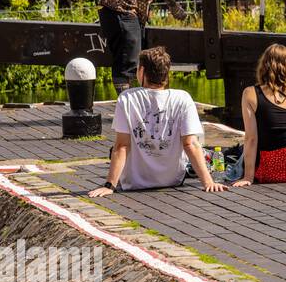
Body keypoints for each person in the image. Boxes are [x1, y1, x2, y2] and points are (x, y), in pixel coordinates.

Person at [88, 46, 226, 197]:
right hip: (173, 180)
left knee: (115, 148)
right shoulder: (183, 98)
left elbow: (122, 146)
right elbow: (190, 144)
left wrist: (109, 185)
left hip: (134, 183)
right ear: (166, 74)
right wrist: (208, 182)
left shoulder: (127, 98)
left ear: (142, 72)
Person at [232, 45, 286, 187]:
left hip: (271, 169)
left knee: (242, 152)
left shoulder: (250, 93)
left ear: (264, 66)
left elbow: (251, 138)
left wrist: (248, 177)